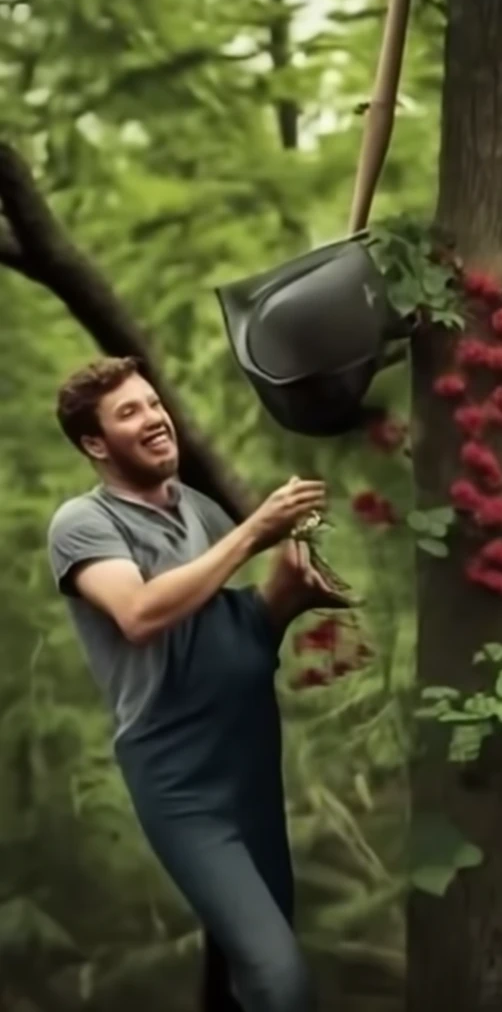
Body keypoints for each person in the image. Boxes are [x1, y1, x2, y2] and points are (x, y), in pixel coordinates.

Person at [46, 356, 347, 1010]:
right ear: (95, 443)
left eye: (153, 403)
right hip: (183, 779)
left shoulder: (200, 512)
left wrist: (286, 598)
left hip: (250, 763)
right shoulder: (84, 524)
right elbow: (141, 614)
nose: (155, 418)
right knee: (279, 979)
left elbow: (228, 645)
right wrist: (253, 534)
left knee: (247, 976)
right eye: (130, 412)